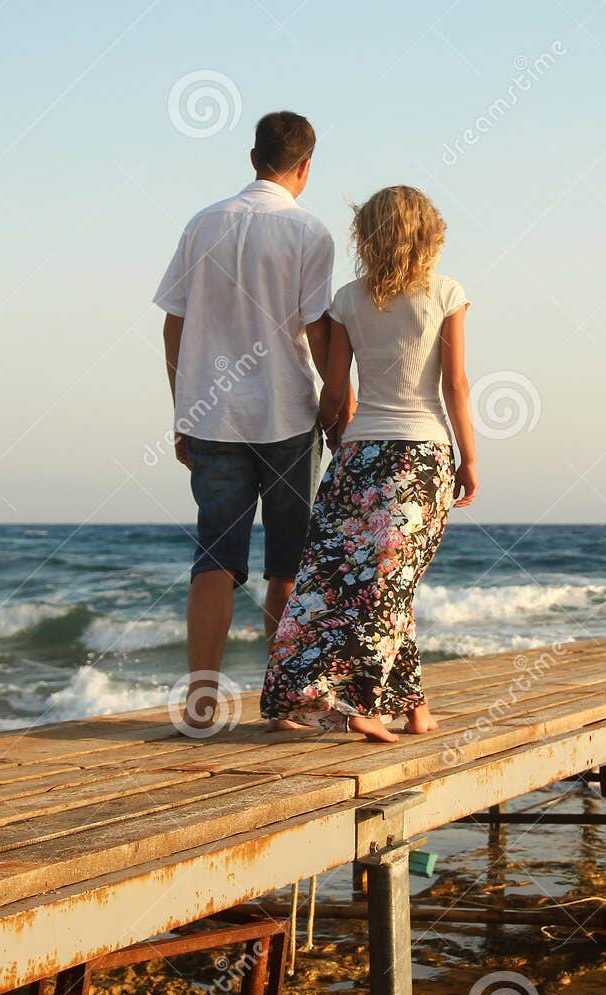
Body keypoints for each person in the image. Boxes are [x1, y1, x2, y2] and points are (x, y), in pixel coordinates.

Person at [260, 185, 478, 743]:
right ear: (429, 234)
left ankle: (414, 708)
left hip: (359, 456)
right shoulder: (445, 293)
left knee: (357, 584)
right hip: (423, 456)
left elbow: (334, 391)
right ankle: (362, 705)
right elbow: (454, 385)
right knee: (389, 586)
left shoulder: (349, 300)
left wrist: (336, 437)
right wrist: (469, 458)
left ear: (368, 235)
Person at [153, 111, 336, 733]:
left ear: (251, 156)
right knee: (288, 563)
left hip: (210, 412)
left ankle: (200, 701)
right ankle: (282, 704)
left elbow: (174, 322)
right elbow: (316, 326)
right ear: (305, 167)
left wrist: (182, 408)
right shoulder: (308, 231)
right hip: (285, 411)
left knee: (214, 558)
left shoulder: (203, 223)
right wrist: (342, 393)